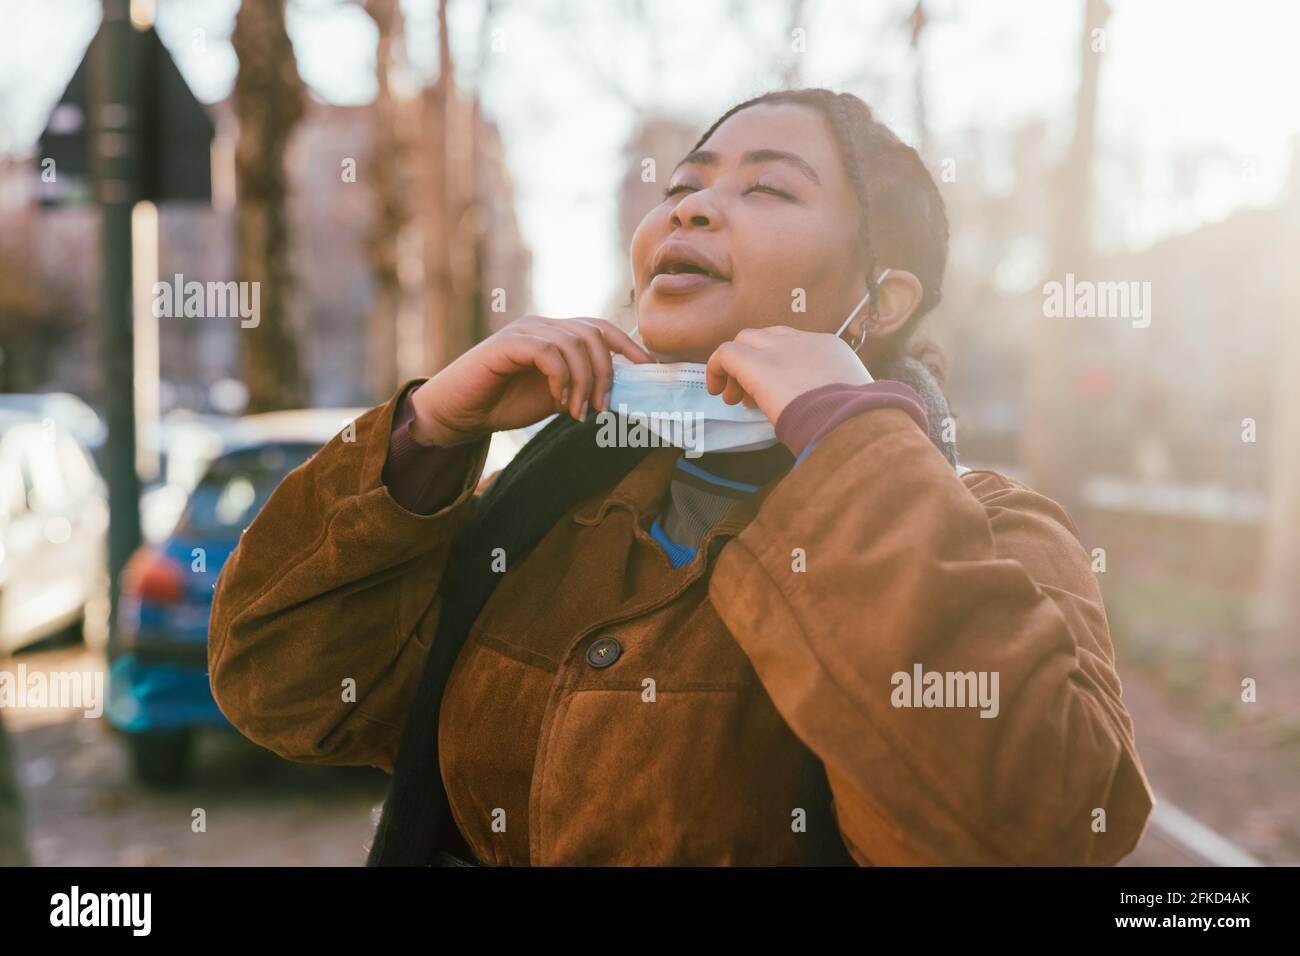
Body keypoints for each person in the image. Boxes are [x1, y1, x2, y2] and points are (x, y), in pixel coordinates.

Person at [208, 87, 1154, 866]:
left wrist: (847, 440)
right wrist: (428, 435)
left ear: (879, 300)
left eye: (769, 192)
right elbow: (279, 687)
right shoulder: (548, 510)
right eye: (683, 187)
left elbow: (1039, 833)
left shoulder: (994, 533)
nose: (690, 208)